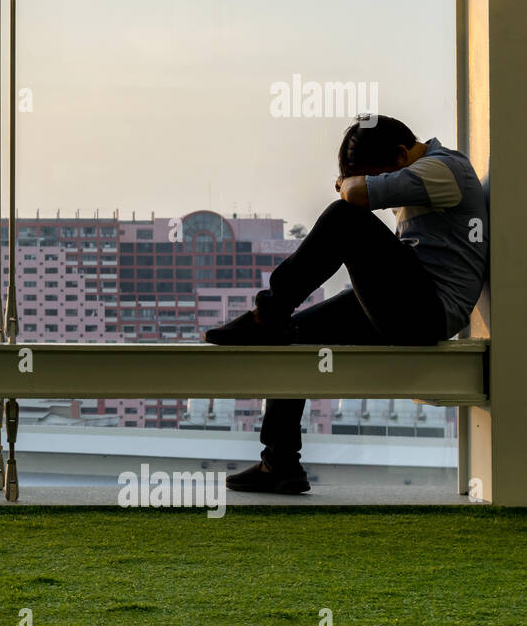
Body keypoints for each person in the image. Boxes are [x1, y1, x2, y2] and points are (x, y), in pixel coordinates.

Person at [204, 115, 488, 493]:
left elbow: (355, 195)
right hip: (409, 300)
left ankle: (267, 313)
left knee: (345, 216)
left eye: (379, 175)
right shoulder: (424, 174)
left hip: (427, 311)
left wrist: (351, 185)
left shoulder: (445, 169)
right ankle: (280, 463)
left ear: (402, 155)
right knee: (292, 336)